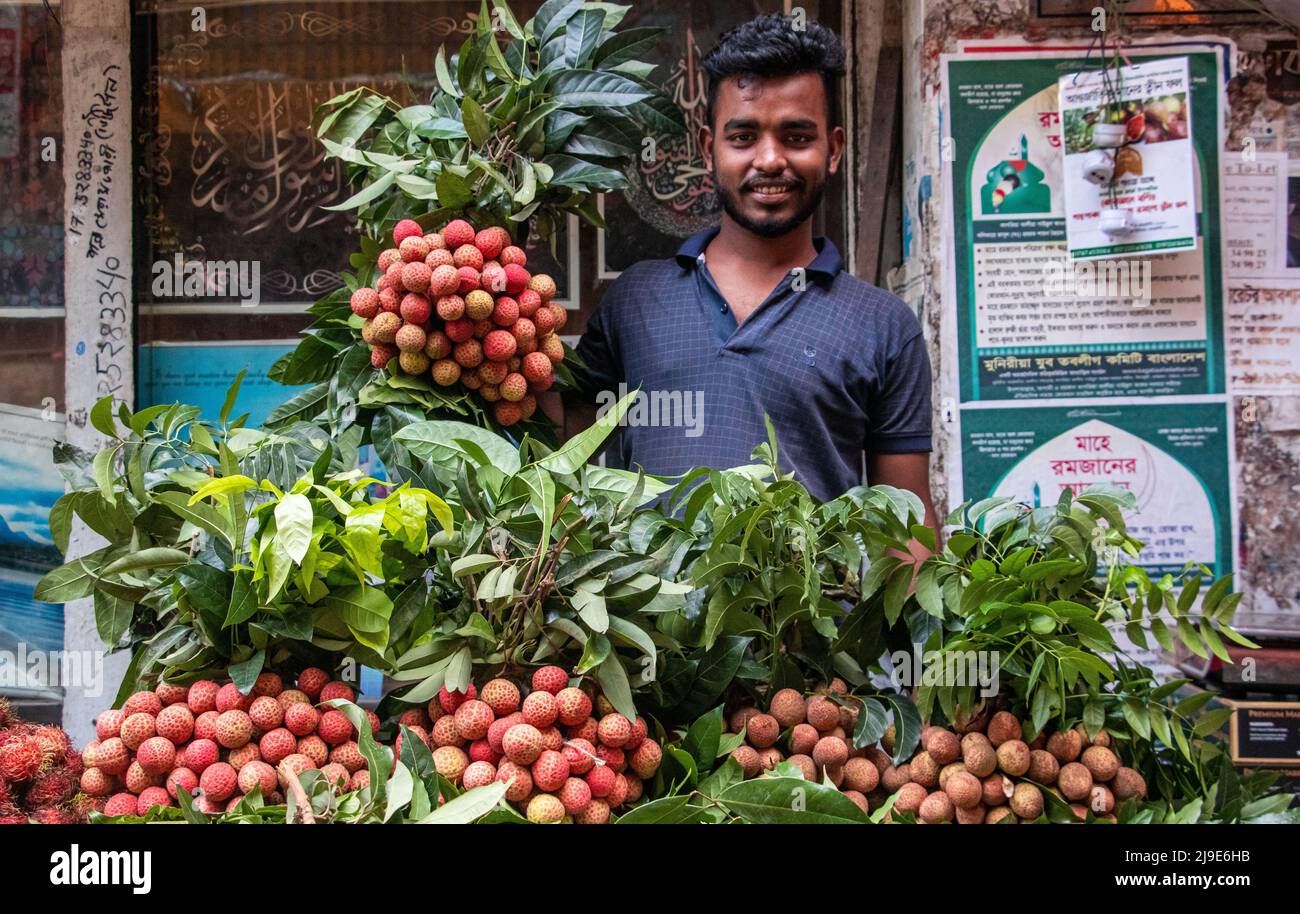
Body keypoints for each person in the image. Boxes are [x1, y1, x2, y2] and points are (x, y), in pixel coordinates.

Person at [572, 13, 937, 550]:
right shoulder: (633, 300)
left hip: (813, 628)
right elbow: (563, 454)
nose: (770, 160)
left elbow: (906, 528)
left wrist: (931, 628)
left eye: (796, 136)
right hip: (646, 633)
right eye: (743, 136)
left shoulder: (884, 326)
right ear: (707, 148)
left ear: (833, 149)